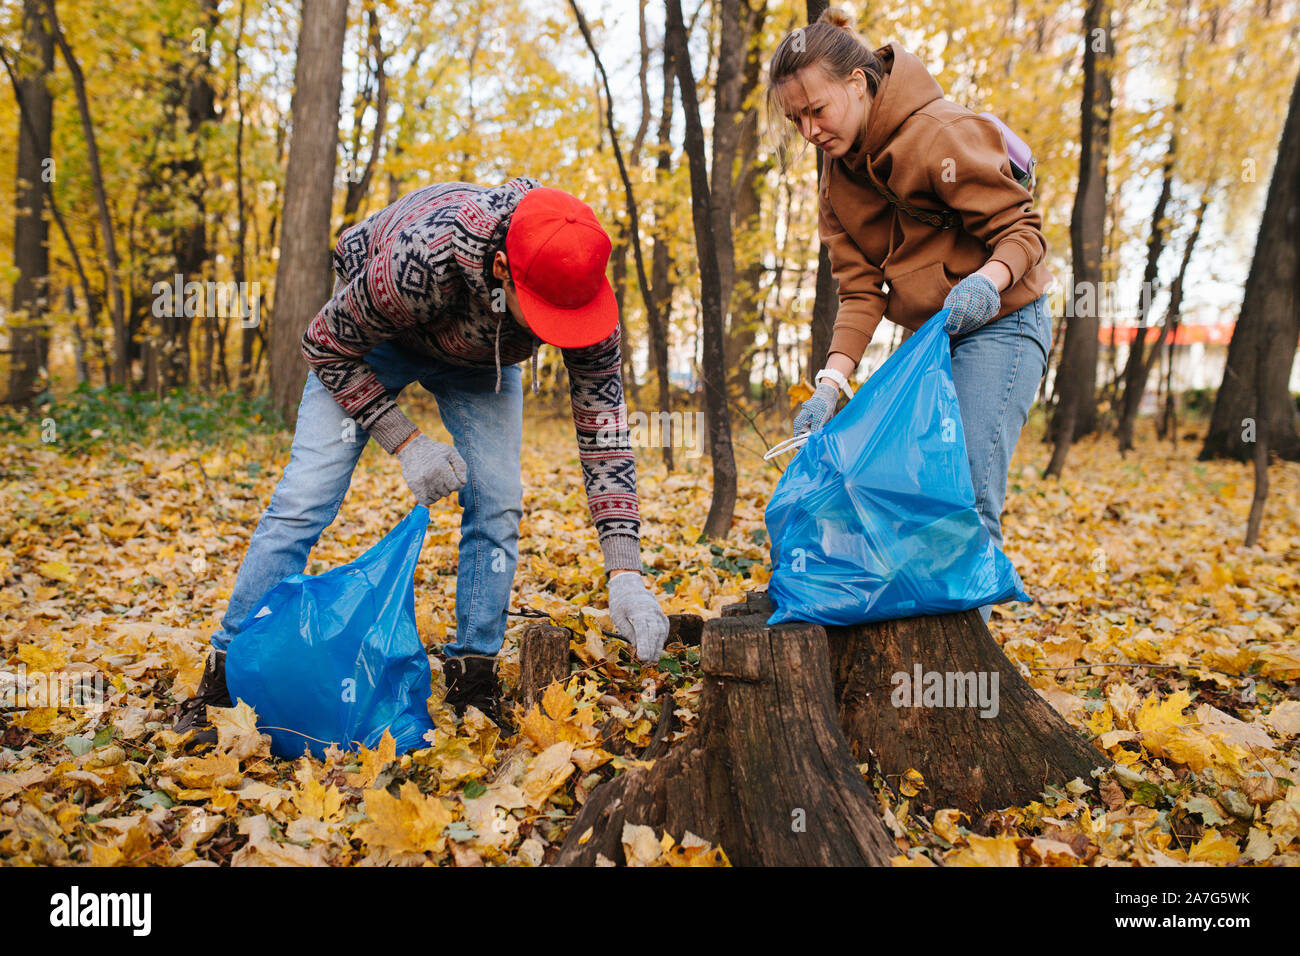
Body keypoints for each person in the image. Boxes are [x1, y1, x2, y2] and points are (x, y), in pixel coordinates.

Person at [175, 179, 669, 745]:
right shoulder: (426, 252)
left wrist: (625, 574)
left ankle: (472, 673)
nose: (558, 334)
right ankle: (224, 671)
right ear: (506, 269)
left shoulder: (578, 285)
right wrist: (406, 441)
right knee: (305, 496)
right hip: (373, 339)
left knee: (498, 499)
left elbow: (605, 432)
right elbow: (323, 344)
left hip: (482, 359)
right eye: (545, 317)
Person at [768, 8, 1056, 624]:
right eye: (796, 119)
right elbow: (860, 292)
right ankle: (913, 653)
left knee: (963, 494)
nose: (809, 129)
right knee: (903, 488)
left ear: (858, 82)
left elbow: (1023, 232)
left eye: (817, 109)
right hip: (936, 334)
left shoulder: (941, 132)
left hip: (1005, 318)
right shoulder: (835, 182)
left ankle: (971, 680)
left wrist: (986, 282)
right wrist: (830, 384)